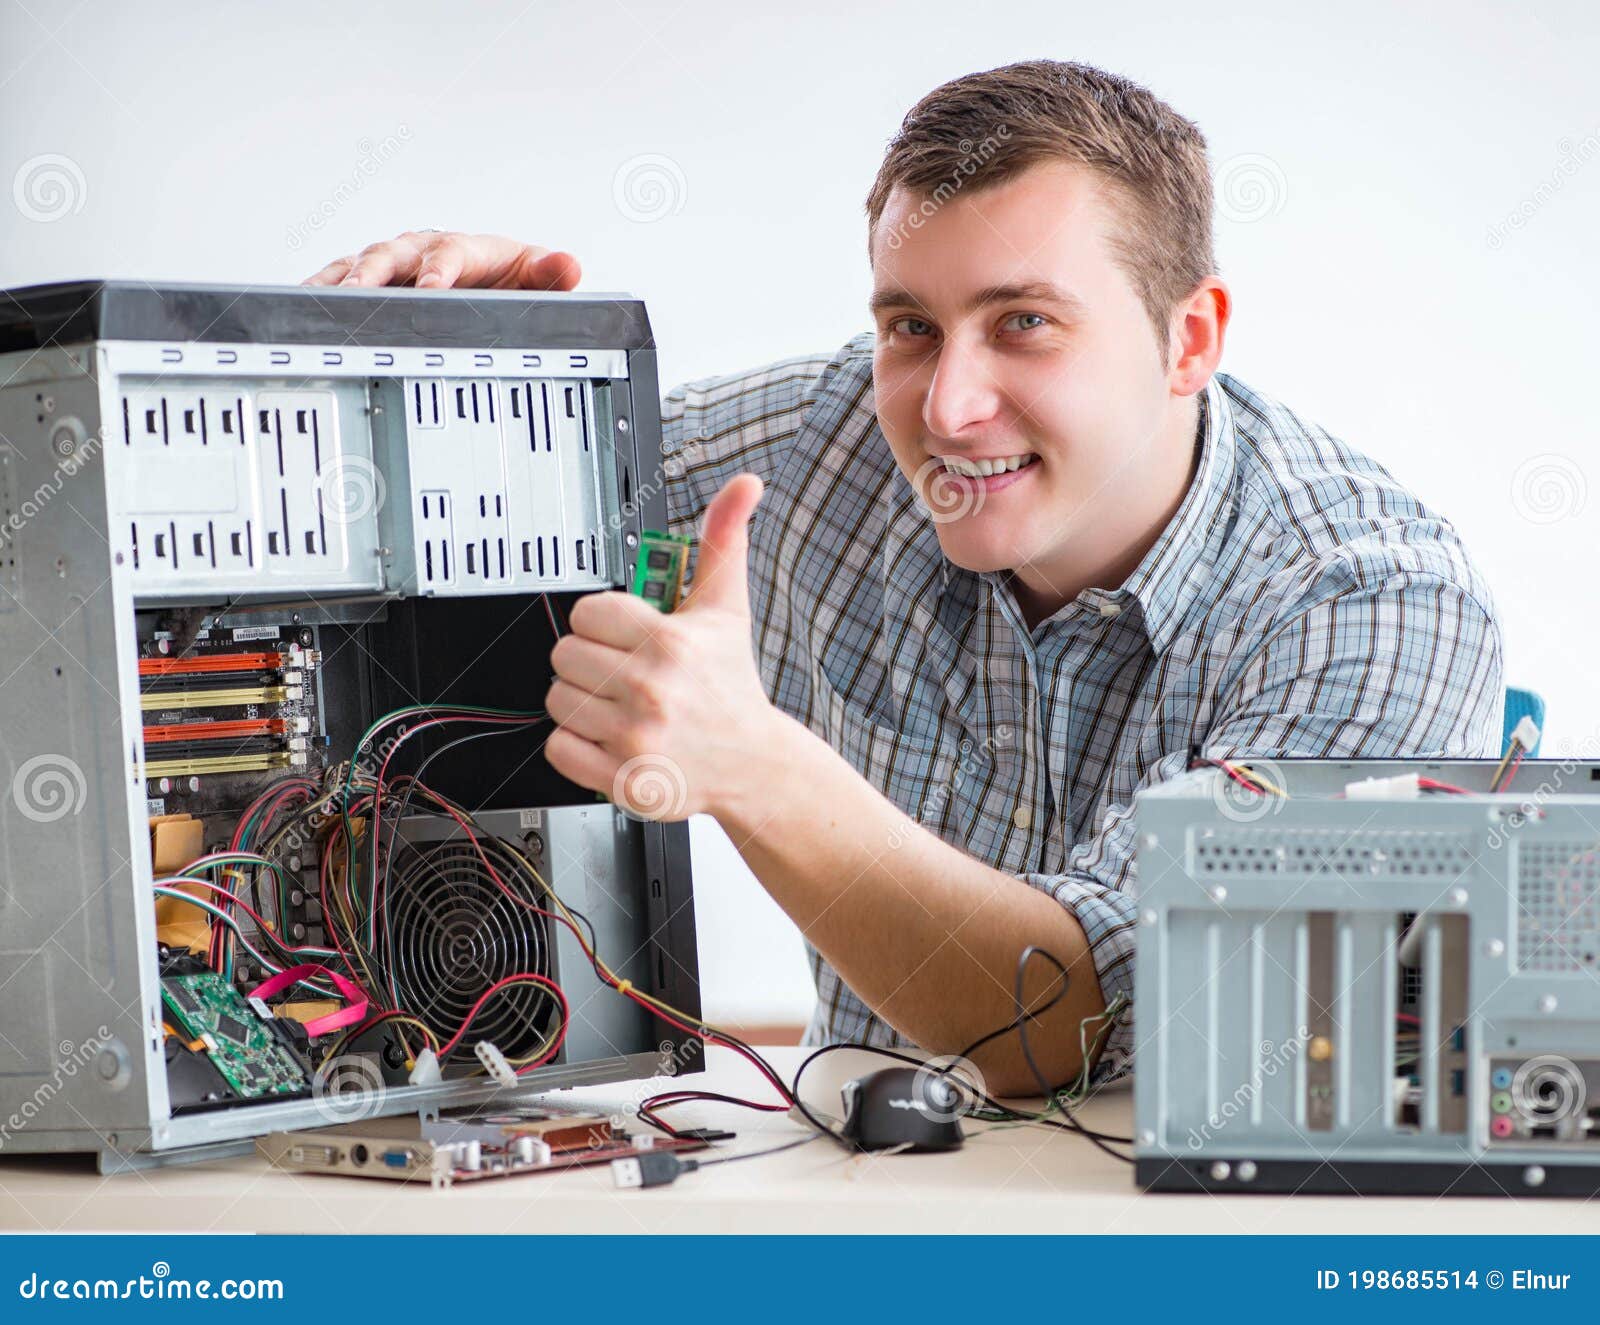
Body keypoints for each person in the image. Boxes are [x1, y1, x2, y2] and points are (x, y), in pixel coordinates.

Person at [305, 60, 1502, 1094]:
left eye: (1023, 321)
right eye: (910, 326)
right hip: (859, 1190)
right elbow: (433, 526)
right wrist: (466, 375)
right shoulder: (818, 447)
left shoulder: (1375, 609)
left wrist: (754, 767)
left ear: (1188, 338)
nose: (946, 407)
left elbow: (1080, 1019)